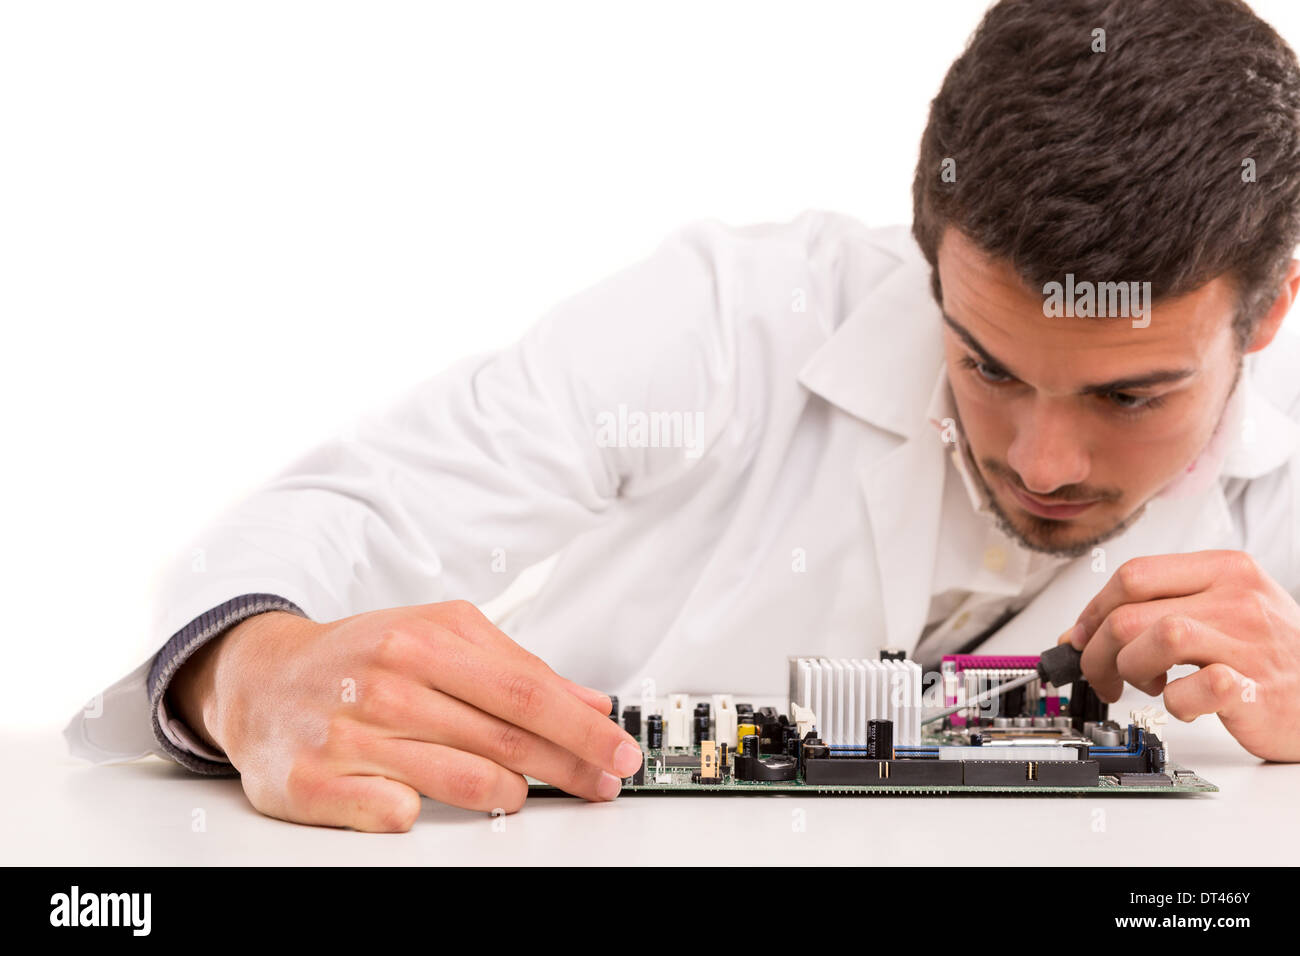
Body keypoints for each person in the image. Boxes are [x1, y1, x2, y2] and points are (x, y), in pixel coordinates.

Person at [66, 0, 1300, 830]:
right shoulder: (732, 318)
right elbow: (331, 516)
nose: (1039, 458)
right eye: (983, 362)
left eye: (1127, 394)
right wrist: (251, 666)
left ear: (1265, 311)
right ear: (930, 268)